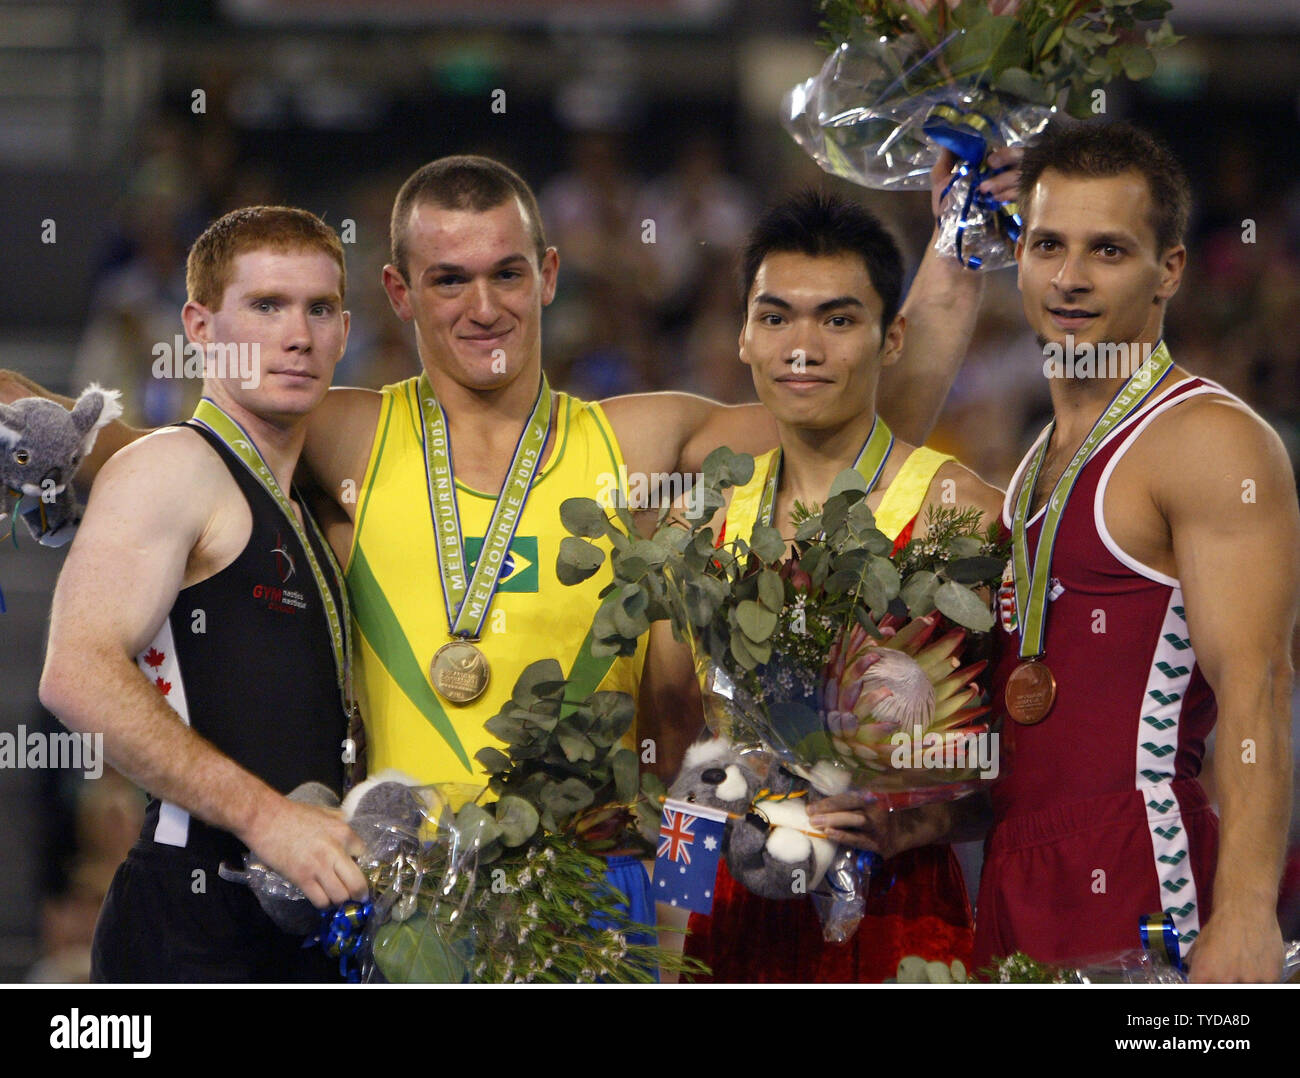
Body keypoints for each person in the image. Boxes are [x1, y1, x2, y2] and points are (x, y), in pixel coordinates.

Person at [5, 153, 989, 969]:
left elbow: (856, 429)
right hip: (401, 907)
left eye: (507, 273)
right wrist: (44, 426)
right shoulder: (345, 435)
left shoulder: (641, 442)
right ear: (398, 291)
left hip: (594, 903)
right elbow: (161, 458)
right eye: (448, 278)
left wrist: (959, 237)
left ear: (548, 274)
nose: (484, 306)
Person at [973, 120, 1297, 982]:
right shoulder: (1033, 464)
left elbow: (1259, 689)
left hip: (1152, 872)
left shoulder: (1209, 442)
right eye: (1048, 245)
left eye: (1108, 250)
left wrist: (1246, 910)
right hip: (1016, 876)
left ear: (1171, 270)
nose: (1070, 279)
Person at [657, 190, 1004, 982]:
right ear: (743, 335)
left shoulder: (968, 521)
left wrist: (911, 826)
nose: (801, 347)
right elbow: (673, 749)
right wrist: (673, 942)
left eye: (838, 320)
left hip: (900, 918)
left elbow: (1025, 763)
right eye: (775, 318)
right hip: (732, 917)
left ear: (893, 338)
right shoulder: (698, 526)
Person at [38, 207, 370, 982]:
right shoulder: (173, 466)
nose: (298, 334)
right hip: (195, 921)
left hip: (294, 922)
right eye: (266, 306)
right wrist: (270, 819)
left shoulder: (303, 510)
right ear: (199, 324)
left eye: (318, 308)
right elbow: (76, 672)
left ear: (346, 330)